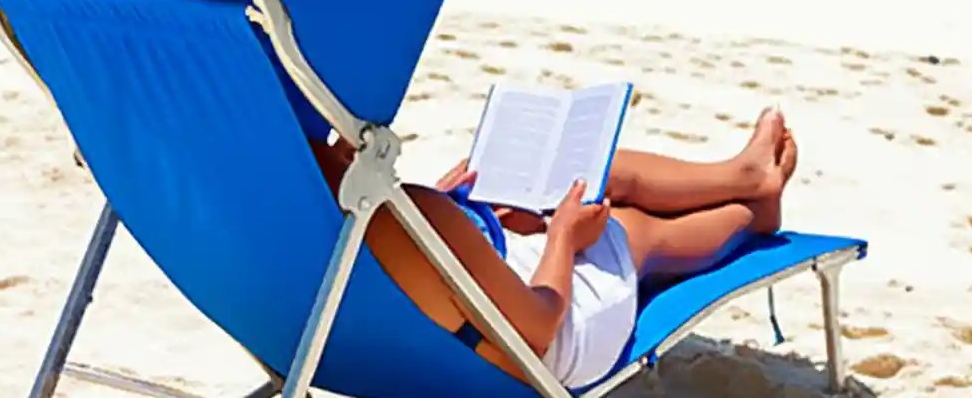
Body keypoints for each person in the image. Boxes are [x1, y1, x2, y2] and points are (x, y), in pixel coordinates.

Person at [309, 107, 797, 389]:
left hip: (458, 331)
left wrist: (457, 221)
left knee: (592, 184)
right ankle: (753, 212)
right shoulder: (399, 214)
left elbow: (416, 277)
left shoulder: (312, 222)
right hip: (543, 348)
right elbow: (539, 328)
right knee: (631, 230)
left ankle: (741, 175)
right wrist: (563, 236)